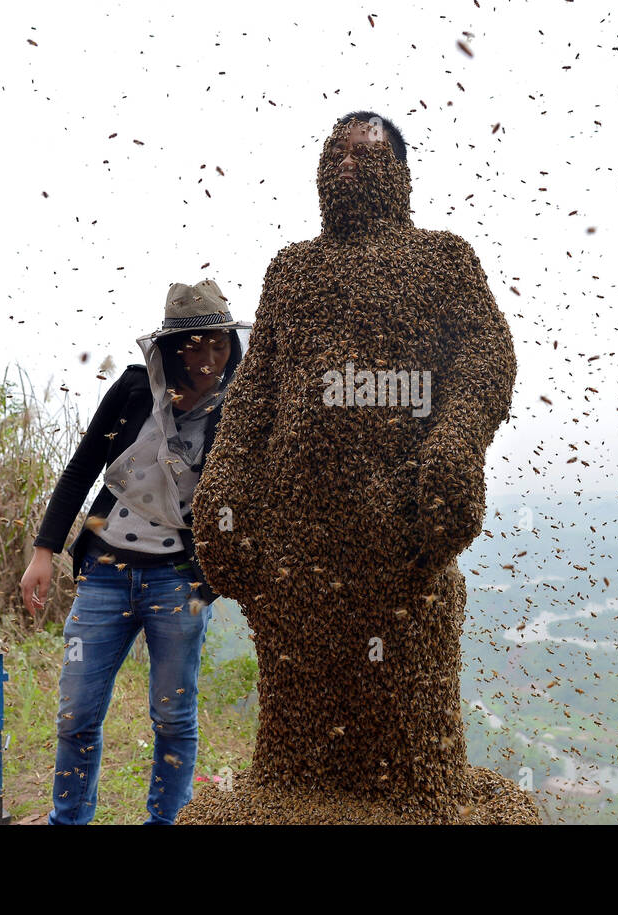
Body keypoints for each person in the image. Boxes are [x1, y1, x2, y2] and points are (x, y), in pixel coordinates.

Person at [181, 113, 537, 823]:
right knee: (292, 756)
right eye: (335, 151)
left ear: (400, 172)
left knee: (410, 765)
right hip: (295, 557)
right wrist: (221, 482)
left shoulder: (443, 260)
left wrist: (456, 442)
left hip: (399, 541)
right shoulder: (292, 270)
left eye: (364, 151)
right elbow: (255, 391)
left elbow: (486, 356)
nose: (346, 162)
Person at [20, 279, 250, 824]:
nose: (210, 357)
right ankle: (67, 820)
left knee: (174, 719)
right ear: (172, 347)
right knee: (76, 714)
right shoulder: (131, 391)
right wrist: (44, 551)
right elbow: (82, 467)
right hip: (104, 572)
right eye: (197, 345)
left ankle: (166, 820)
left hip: (179, 581)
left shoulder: (239, 408)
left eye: (219, 344)